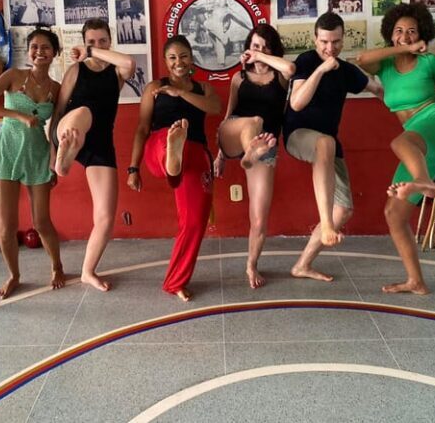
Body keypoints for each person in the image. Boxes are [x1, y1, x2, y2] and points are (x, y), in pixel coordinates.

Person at [355, 3, 435, 295]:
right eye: (399, 31)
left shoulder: (429, 62)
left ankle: (423, 181)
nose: (405, 36)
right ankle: (416, 281)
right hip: (416, 139)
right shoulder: (385, 65)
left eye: (412, 31)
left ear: (422, 34)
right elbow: (362, 59)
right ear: (390, 35)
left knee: (400, 142)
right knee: (394, 213)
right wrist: (402, 48)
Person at [284, 12, 382, 281]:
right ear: (315, 39)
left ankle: (302, 265)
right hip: (298, 136)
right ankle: (326, 224)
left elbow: (378, 89)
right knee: (325, 142)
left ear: (343, 39)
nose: (330, 48)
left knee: (344, 209)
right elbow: (297, 103)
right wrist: (321, 69)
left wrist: (415, 112)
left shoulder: (347, 71)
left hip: (327, 144)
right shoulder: (306, 61)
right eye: (324, 42)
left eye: (336, 42)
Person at [127, 35, 222, 301]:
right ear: (165, 61)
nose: (178, 62)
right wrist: (133, 168)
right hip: (158, 145)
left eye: (183, 56)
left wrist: (180, 93)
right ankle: (172, 152)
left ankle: (175, 282)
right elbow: (142, 128)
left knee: (195, 221)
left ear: (191, 58)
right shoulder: (155, 87)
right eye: (172, 57)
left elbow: (215, 108)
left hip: (195, 153)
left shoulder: (204, 89)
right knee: (166, 140)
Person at [0, 29, 64, 299]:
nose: (39, 52)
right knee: (6, 226)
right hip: (6, 152)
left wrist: (55, 161)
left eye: (46, 47)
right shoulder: (13, 76)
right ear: (28, 51)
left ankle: (57, 266)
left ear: (55, 53)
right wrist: (17, 115)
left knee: (42, 222)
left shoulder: (56, 89)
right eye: (34, 46)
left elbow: (56, 128)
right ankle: (13, 275)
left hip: (37, 154)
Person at [52, 19, 136, 291]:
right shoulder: (76, 70)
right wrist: (52, 151)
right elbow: (59, 109)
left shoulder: (117, 72)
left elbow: (129, 63)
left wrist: (91, 51)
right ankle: (65, 157)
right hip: (69, 130)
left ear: (109, 42)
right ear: (84, 42)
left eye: (102, 41)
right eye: (91, 42)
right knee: (83, 112)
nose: (97, 46)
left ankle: (88, 271)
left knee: (105, 217)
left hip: (99, 144)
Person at [214, 24, 295, 288]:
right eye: (255, 46)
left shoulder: (280, 77)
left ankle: (251, 265)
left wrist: (259, 57)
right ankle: (249, 151)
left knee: (259, 217)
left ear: (272, 51)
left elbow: (290, 68)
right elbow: (228, 114)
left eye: (265, 47)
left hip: (265, 147)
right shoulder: (239, 78)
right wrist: (220, 155)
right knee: (255, 121)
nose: (259, 51)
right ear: (248, 47)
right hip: (234, 133)